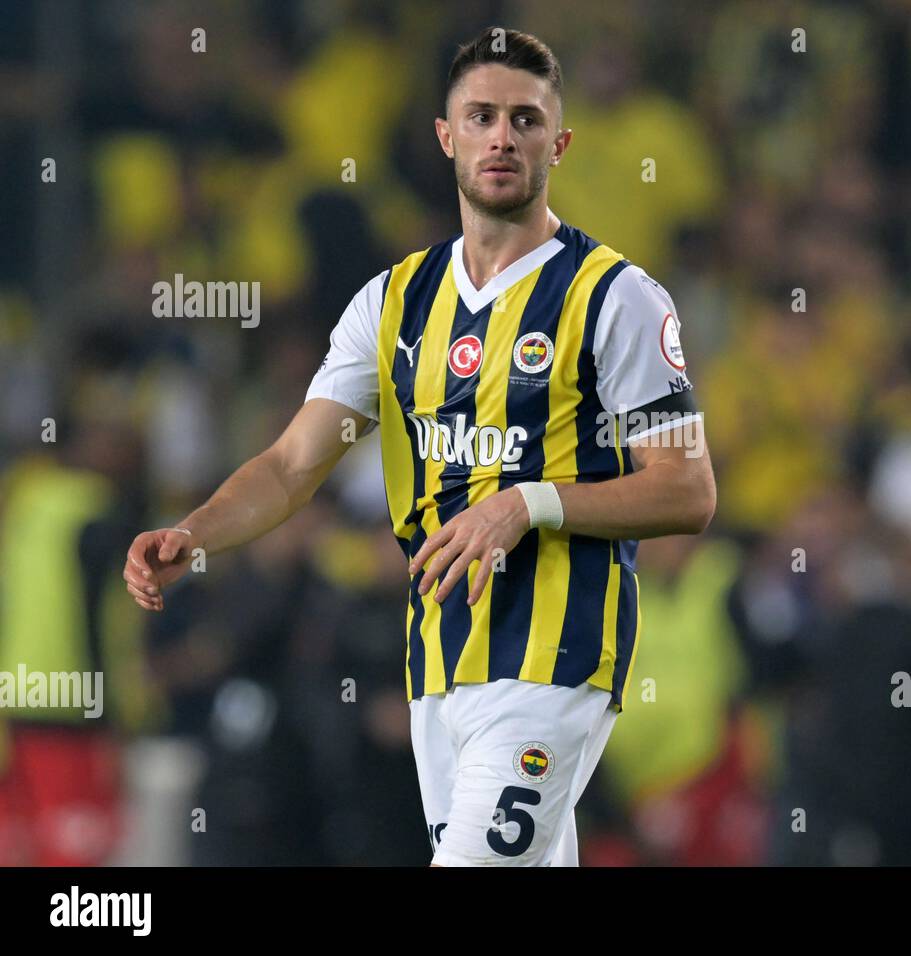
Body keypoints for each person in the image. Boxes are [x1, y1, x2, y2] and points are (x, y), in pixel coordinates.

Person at [122, 26, 715, 867]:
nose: (502, 137)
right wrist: (199, 531)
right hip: (438, 666)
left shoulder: (616, 298)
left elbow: (688, 491)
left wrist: (527, 503)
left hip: (554, 663)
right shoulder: (392, 301)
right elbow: (294, 464)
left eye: (524, 119)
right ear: (446, 137)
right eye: (481, 117)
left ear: (560, 142)